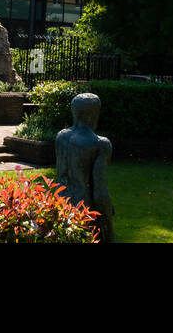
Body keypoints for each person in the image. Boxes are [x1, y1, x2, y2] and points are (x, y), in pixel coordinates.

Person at [54, 92, 114, 242]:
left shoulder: (61, 137)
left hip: (59, 202)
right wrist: (107, 221)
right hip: (84, 209)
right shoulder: (100, 144)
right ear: (94, 114)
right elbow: (100, 192)